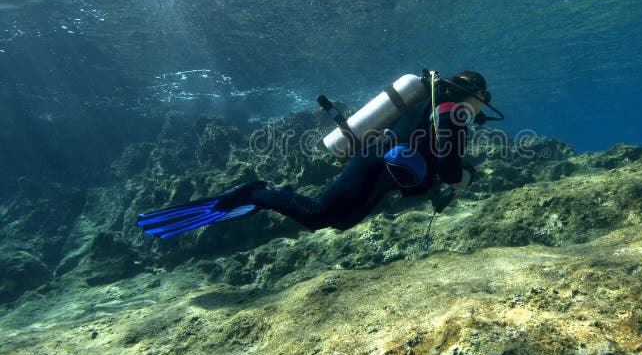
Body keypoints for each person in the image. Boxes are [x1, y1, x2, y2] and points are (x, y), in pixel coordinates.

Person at [137, 71, 499, 238]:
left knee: (341, 222)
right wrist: (463, 178)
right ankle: (253, 193)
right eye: (484, 98)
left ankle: (278, 195)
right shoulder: (451, 109)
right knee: (318, 216)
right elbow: (449, 172)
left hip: (380, 169)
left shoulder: (439, 104)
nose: (484, 107)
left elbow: (434, 156)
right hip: (374, 165)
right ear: (475, 93)